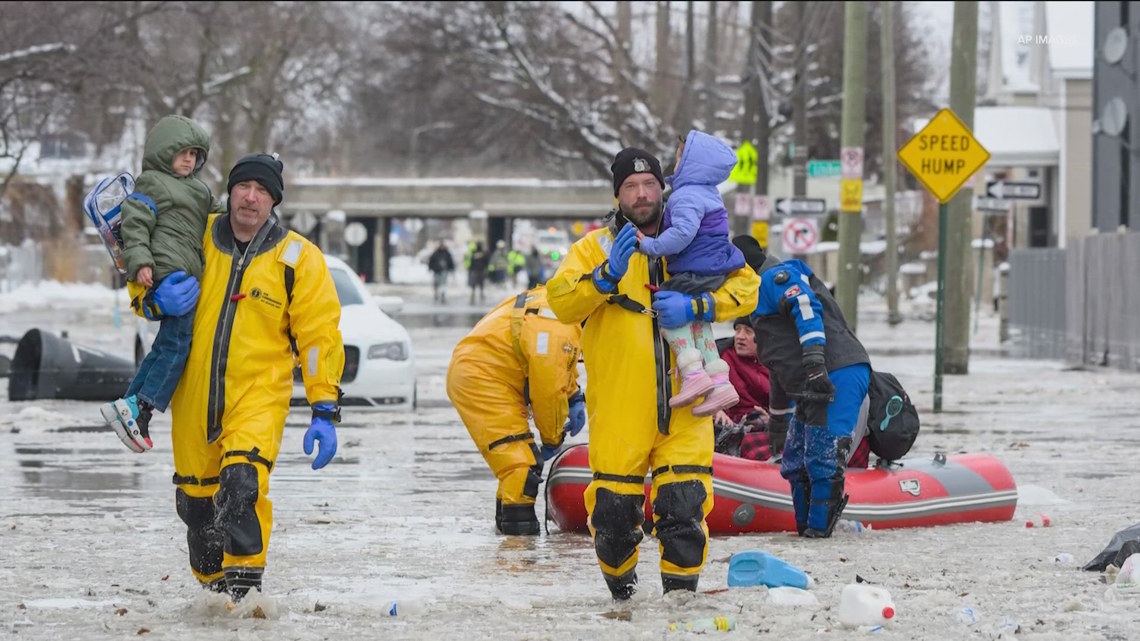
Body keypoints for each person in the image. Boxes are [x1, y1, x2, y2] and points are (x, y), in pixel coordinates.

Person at [123, 152, 345, 600]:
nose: (250, 197)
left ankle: (246, 600)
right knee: (197, 506)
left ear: (274, 201)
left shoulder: (298, 258)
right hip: (193, 398)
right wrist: (152, 299)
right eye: (244, 186)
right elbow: (145, 265)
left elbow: (319, 337)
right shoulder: (196, 234)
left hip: (258, 397)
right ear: (229, 191)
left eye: (262, 191)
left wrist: (324, 406)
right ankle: (214, 601)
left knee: (241, 486)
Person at [546, 146, 759, 600]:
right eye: (630, 187)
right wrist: (605, 277)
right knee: (614, 518)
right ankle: (623, 601)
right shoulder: (593, 248)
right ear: (618, 195)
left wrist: (701, 305)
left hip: (688, 407)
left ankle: (678, 609)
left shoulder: (698, 237)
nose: (641, 194)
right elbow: (561, 301)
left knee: (685, 511)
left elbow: (747, 288)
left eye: (649, 184)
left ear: (663, 187)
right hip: (621, 413)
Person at [732, 234, 871, 539]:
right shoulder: (755, 303)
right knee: (794, 462)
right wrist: (779, 424)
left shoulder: (773, 277)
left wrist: (814, 360)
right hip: (809, 381)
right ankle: (804, 531)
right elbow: (779, 367)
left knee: (822, 457)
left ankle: (819, 534)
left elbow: (805, 305)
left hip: (836, 370)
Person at [99, 114, 213, 447]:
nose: (189, 160)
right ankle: (144, 408)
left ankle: (130, 404)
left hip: (185, 274)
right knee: (177, 348)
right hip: (168, 271)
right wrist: (141, 263)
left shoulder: (198, 189)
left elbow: (215, 209)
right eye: (182, 153)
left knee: (166, 346)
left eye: (194, 154)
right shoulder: (152, 182)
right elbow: (135, 223)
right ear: (164, 152)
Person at [446, 285, 585, 535]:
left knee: (519, 466)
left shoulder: (559, 304)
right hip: (482, 377)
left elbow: (555, 364)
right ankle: (517, 558)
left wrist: (574, 395)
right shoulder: (558, 325)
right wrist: (553, 437)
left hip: (485, 371)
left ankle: (508, 543)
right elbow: (548, 388)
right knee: (520, 467)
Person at [635, 130, 746, 417]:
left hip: (694, 267)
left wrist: (652, 245)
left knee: (669, 314)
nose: (676, 160)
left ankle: (693, 374)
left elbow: (683, 233)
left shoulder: (685, 196)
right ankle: (720, 382)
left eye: (681, 155)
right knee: (699, 325)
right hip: (712, 268)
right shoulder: (709, 192)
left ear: (695, 162)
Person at [712, 317, 772, 461]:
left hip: (756, 431)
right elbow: (696, 386)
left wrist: (769, 420)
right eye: (737, 330)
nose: (739, 336)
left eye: (748, 331)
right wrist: (714, 409)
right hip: (720, 428)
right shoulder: (718, 358)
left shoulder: (776, 366)